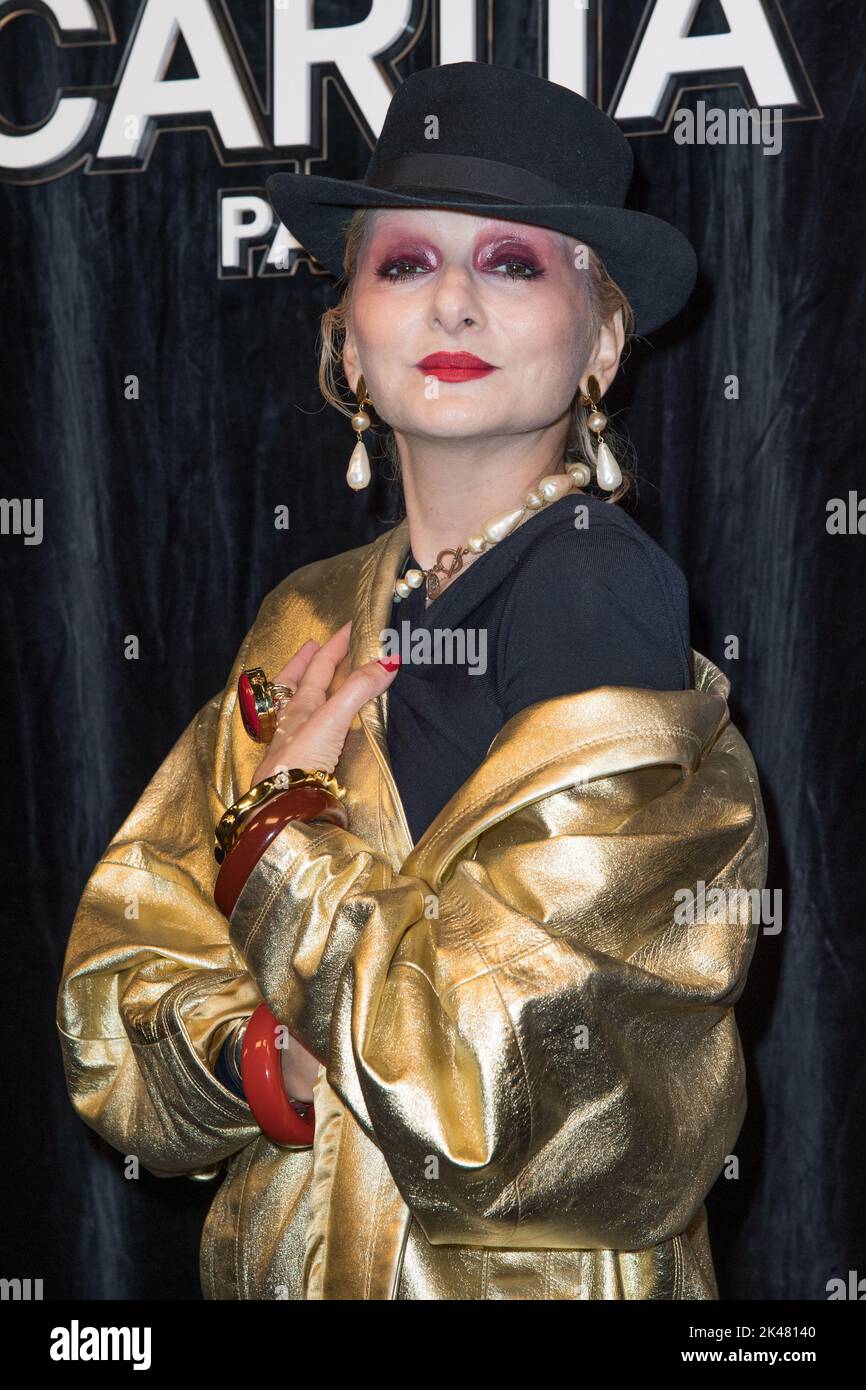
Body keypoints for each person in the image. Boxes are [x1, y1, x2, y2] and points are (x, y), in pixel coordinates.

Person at [57, 62, 768, 1301]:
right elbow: (119, 984)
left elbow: (501, 1099)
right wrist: (268, 1062)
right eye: (402, 264)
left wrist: (279, 838)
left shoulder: (594, 598)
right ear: (345, 340)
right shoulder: (310, 613)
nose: (449, 303)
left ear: (600, 340)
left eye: (509, 263)